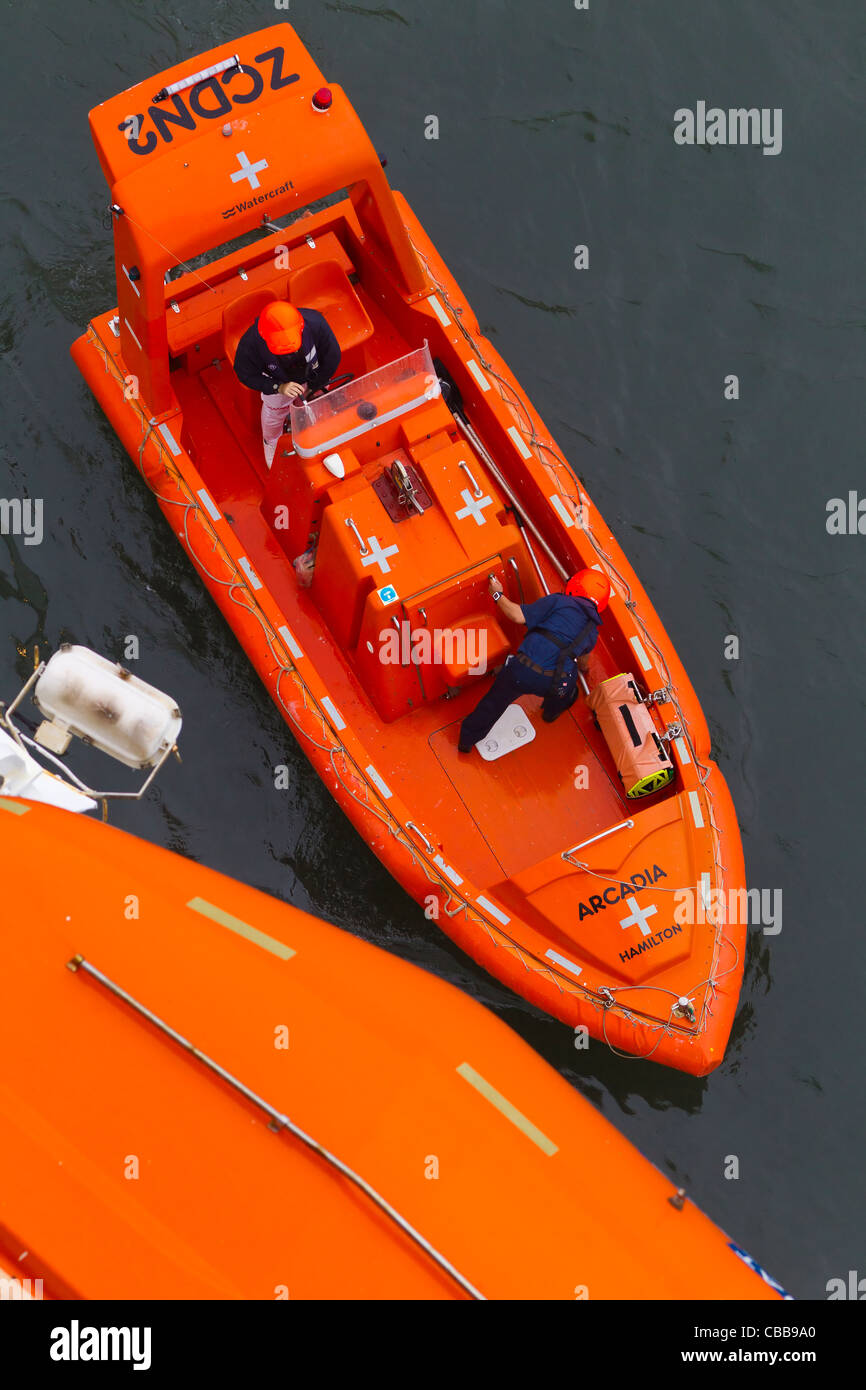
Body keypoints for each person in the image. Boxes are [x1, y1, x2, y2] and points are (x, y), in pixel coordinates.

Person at [457, 568, 611, 754]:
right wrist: (584, 670)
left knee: (493, 704)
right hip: (554, 683)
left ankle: (466, 741)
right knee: (570, 691)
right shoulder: (592, 632)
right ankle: (549, 713)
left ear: (575, 587)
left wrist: (497, 594)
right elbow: (583, 661)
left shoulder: (558, 602)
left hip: (521, 671)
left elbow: (517, 615)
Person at [232, 301, 341, 468]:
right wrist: (278, 387)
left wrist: (314, 386)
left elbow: (332, 357)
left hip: (313, 375)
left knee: (317, 403)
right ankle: (271, 443)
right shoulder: (250, 344)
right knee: (274, 412)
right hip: (277, 381)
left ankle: (316, 433)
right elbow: (245, 374)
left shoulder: (316, 324)